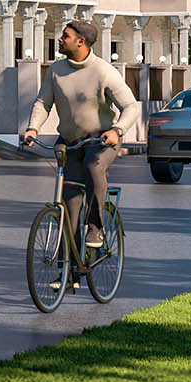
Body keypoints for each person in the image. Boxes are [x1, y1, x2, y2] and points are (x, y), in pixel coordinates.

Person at [21, 15, 138, 256]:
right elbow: (43, 102)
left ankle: (95, 227)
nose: (60, 40)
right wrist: (33, 127)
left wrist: (117, 131)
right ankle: (69, 267)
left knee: (93, 167)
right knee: (70, 204)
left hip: (101, 141)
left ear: (81, 42)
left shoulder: (104, 71)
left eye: (65, 36)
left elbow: (131, 106)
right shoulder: (56, 70)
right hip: (69, 142)